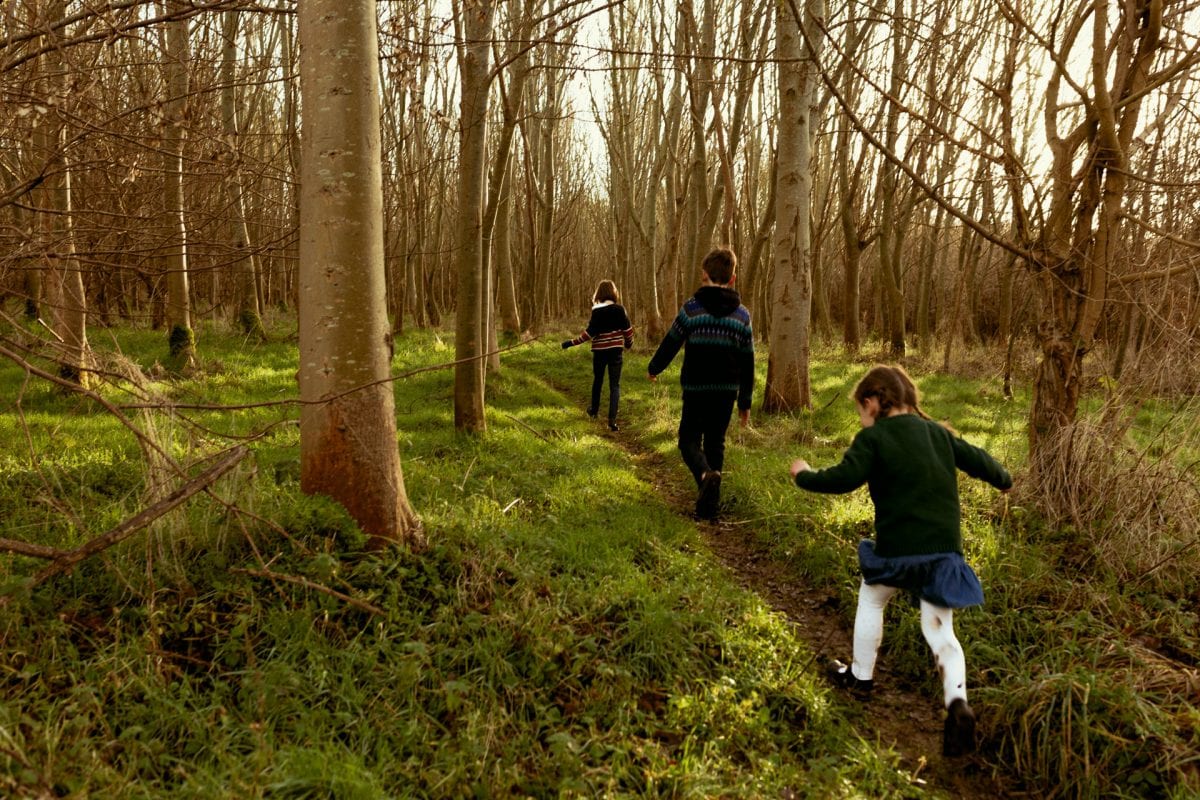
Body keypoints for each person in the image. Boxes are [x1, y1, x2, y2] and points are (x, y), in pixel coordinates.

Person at [789, 365, 1012, 757]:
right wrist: (1004, 479)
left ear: (874, 402)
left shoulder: (873, 438)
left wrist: (804, 475)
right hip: (943, 553)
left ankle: (861, 678)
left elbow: (844, 478)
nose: (862, 417)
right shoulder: (939, 435)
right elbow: (982, 462)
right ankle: (957, 703)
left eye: (861, 409)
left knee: (873, 598)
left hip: (897, 552)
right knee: (941, 632)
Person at [648, 247, 754, 519]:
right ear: (732, 279)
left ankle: (705, 475)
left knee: (688, 441)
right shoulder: (742, 316)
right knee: (715, 443)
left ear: (704, 275)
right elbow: (748, 361)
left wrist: (654, 367)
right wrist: (745, 402)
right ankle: (710, 507)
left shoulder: (691, 310)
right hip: (726, 391)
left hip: (696, 388)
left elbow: (672, 341)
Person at [562, 279, 634, 431]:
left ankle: (594, 411)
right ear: (614, 293)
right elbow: (628, 331)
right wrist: (628, 344)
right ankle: (612, 421)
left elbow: (589, 333)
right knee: (615, 386)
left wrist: (571, 342)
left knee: (598, 381)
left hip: (600, 352)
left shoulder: (597, 310)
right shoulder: (620, 310)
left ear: (599, 294)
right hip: (616, 351)